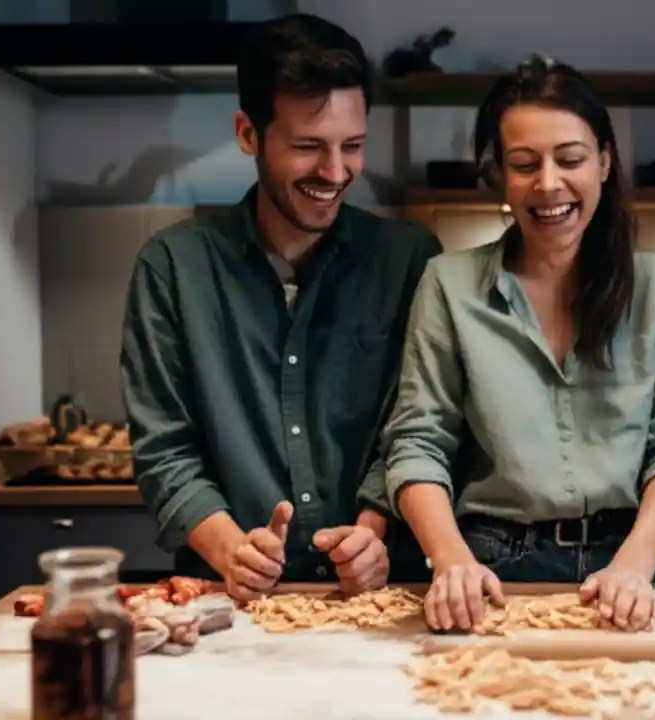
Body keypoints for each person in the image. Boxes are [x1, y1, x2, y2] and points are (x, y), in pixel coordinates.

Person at [367, 56, 655, 634]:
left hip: (629, 563)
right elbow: (417, 443)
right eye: (524, 164)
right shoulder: (449, 285)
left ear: (604, 160)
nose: (548, 184)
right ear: (500, 175)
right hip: (491, 569)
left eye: (570, 159)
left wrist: (633, 567)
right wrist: (452, 561)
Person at [120, 13, 442, 604]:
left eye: (352, 146)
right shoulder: (173, 267)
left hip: (381, 599)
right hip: (229, 604)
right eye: (308, 147)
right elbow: (165, 450)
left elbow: (417, 425)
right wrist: (228, 550)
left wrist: (373, 533)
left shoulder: (409, 260)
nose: (336, 172)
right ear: (248, 134)